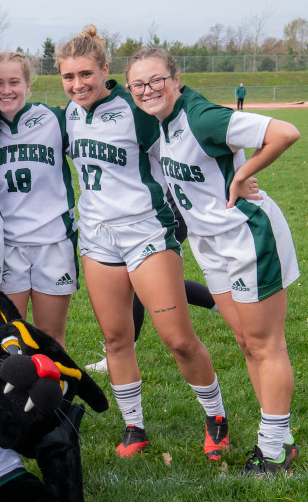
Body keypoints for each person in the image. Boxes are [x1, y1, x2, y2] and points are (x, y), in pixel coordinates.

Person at [125, 47, 301, 475]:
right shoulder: (159, 122)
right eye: (139, 85)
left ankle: (275, 449)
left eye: (157, 81)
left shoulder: (199, 117)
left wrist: (242, 175)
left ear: (176, 79)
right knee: (245, 343)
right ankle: (279, 436)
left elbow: (286, 132)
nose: (149, 91)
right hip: (211, 243)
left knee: (265, 344)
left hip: (246, 237)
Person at [57, 26, 228, 459]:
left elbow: (189, 142)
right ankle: (134, 427)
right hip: (98, 239)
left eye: (86, 74)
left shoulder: (136, 110)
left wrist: (237, 176)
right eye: (68, 77)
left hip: (146, 231)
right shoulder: (71, 114)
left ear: (105, 70)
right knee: (116, 339)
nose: (78, 84)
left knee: (178, 338)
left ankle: (216, 416)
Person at [0, 51, 77, 348]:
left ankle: (56, 396)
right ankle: (17, 397)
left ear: (28, 85)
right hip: (7, 243)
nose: (6, 90)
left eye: (14, 81)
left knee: (51, 338)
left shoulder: (53, 119)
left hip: (53, 242)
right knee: (13, 340)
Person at [86, 191, 219, 373]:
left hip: (161, 215)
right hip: (143, 212)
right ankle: (229, 307)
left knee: (138, 279)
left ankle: (122, 351)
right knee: (154, 283)